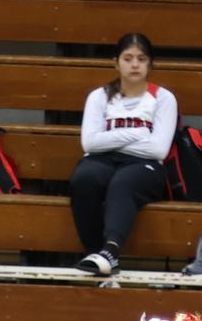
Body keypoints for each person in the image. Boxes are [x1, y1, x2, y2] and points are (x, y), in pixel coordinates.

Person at [71, 33, 177, 278]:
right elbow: (89, 142)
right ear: (115, 62)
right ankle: (94, 253)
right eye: (128, 58)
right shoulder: (99, 96)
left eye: (141, 58)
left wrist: (110, 140)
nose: (135, 64)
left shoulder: (163, 98)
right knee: (84, 178)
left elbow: (158, 149)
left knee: (123, 182)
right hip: (102, 161)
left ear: (150, 63)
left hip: (146, 165)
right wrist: (138, 133)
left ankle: (110, 251)